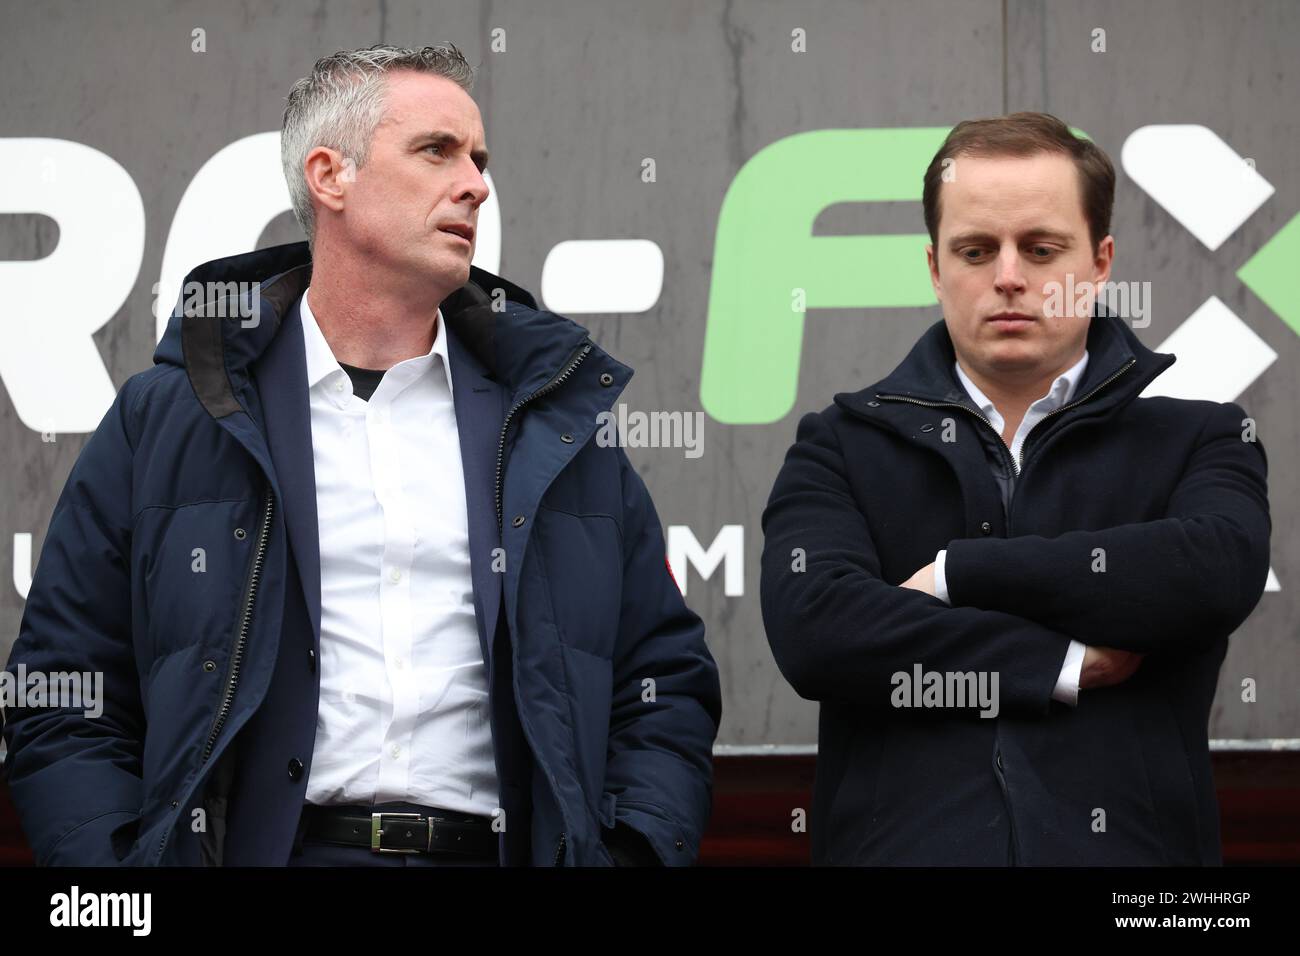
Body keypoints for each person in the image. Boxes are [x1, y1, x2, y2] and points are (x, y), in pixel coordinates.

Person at [3, 43, 721, 867]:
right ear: (329, 176)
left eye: (479, 160)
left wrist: (628, 855)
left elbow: (663, 683)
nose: (476, 183)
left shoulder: (555, 422)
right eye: (436, 151)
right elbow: (63, 694)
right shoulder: (168, 417)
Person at [760, 112, 1270, 865]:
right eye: (976, 250)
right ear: (936, 267)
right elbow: (818, 631)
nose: (1008, 276)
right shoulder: (838, 446)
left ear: (1100, 261)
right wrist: (1058, 664)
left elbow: (1215, 570)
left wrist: (957, 575)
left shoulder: (1203, 438)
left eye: (1040, 248)